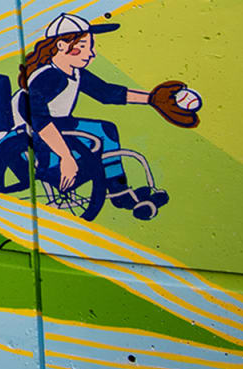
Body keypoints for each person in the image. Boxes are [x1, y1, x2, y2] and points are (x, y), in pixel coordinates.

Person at [10, 13, 169, 219]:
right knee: (97, 136)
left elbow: (106, 92)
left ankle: (117, 189)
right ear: (61, 46)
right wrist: (65, 156)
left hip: (57, 124)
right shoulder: (50, 76)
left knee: (106, 130)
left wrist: (153, 99)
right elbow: (35, 115)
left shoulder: (73, 73)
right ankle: (110, 187)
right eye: (84, 46)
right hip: (30, 136)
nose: (91, 53)